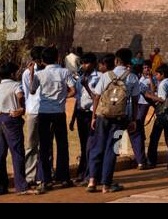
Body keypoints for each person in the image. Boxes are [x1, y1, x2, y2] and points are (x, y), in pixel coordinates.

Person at [87, 48, 137, 194]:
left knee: (97, 147)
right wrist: (133, 119)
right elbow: (134, 100)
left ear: (116, 60)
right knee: (112, 150)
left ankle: (92, 181)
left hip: (103, 117)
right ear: (129, 61)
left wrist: (94, 116)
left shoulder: (106, 76)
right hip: (120, 119)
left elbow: (96, 96)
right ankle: (106, 185)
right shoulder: (132, 77)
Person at [29, 45, 75, 193]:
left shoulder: (40, 74)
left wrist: (31, 74)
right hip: (58, 112)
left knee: (44, 145)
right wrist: (62, 98)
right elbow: (73, 90)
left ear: (42, 60)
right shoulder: (64, 72)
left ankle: (45, 179)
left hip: (44, 112)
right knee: (62, 145)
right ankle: (63, 178)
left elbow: (32, 90)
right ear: (57, 58)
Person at [0, 61, 29, 196]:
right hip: (12, 119)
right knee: (17, 152)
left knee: (0, 154)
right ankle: (21, 186)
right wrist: (22, 108)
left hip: (0, 118)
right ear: (12, 74)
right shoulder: (15, 85)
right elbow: (20, 95)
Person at [70, 52, 98, 183]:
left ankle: (89, 175)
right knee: (83, 145)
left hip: (91, 114)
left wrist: (86, 86)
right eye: (82, 63)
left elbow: (97, 99)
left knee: (90, 146)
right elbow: (78, 99)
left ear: (93, 64)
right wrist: (72, 118)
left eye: (86, 63)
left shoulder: (98, 78)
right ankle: (82, 173)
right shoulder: (80, 78)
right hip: (81, 114)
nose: (83, 66)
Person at [20, 45, 43, 183]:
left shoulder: (45, 72)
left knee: (44, 145)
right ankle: (29, 176)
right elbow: (28, 93)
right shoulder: (27, 74)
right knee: (31, 145)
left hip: (44, 111)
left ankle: (43, 175)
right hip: (33, 110)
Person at [145, 64, 168, 167]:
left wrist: (149, 96)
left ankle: (151, 161)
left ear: (162, 74)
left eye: (157, 74)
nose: (156, 76)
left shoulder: (162, 85)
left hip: (162, 114)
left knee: (154, 138)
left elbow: (162, 99)